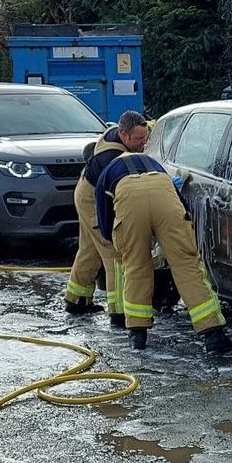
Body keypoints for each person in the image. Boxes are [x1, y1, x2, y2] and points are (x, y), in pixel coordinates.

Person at [95, 150, 232, 355]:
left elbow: (105, 220)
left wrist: (121, 244)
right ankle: (212, 334)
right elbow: (180, 204)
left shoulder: (106, 174)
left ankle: (137, 335)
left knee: (135, 266)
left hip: (128, 201)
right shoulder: (154, 165)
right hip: (165, 196)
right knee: (187, 265)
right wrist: (180, 237)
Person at [65, 110, 149, 321]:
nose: (143, 143)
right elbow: (112, 199)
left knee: (89, 249)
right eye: (139, 139)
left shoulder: (115, 132)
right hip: (94, 199)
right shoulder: (113, 159)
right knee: (114, 251)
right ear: (124, 134)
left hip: (85, 191)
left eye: (145, 137)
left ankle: (76, 299)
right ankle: (119, 311)